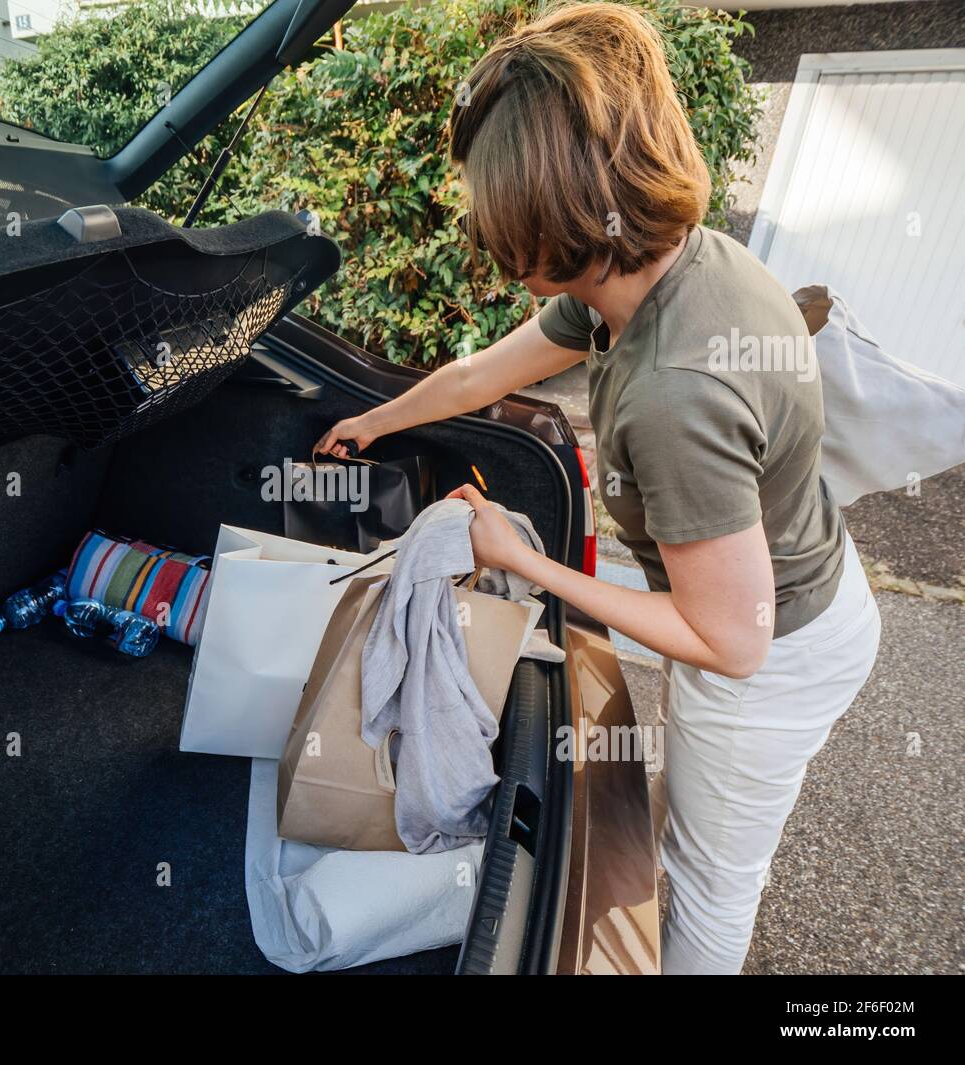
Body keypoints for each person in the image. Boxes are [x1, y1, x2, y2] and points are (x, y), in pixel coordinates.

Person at [314, 1, 881, 975]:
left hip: (777, 646)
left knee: (706, 880)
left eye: (492, 206)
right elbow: (487, 373)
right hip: (794, 585)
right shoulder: (645, 274)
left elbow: (727, 643)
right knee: (689, 834)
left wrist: (518, 558)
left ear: (552, 222)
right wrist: (376, 419)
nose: (482, 224)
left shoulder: (675, 388)